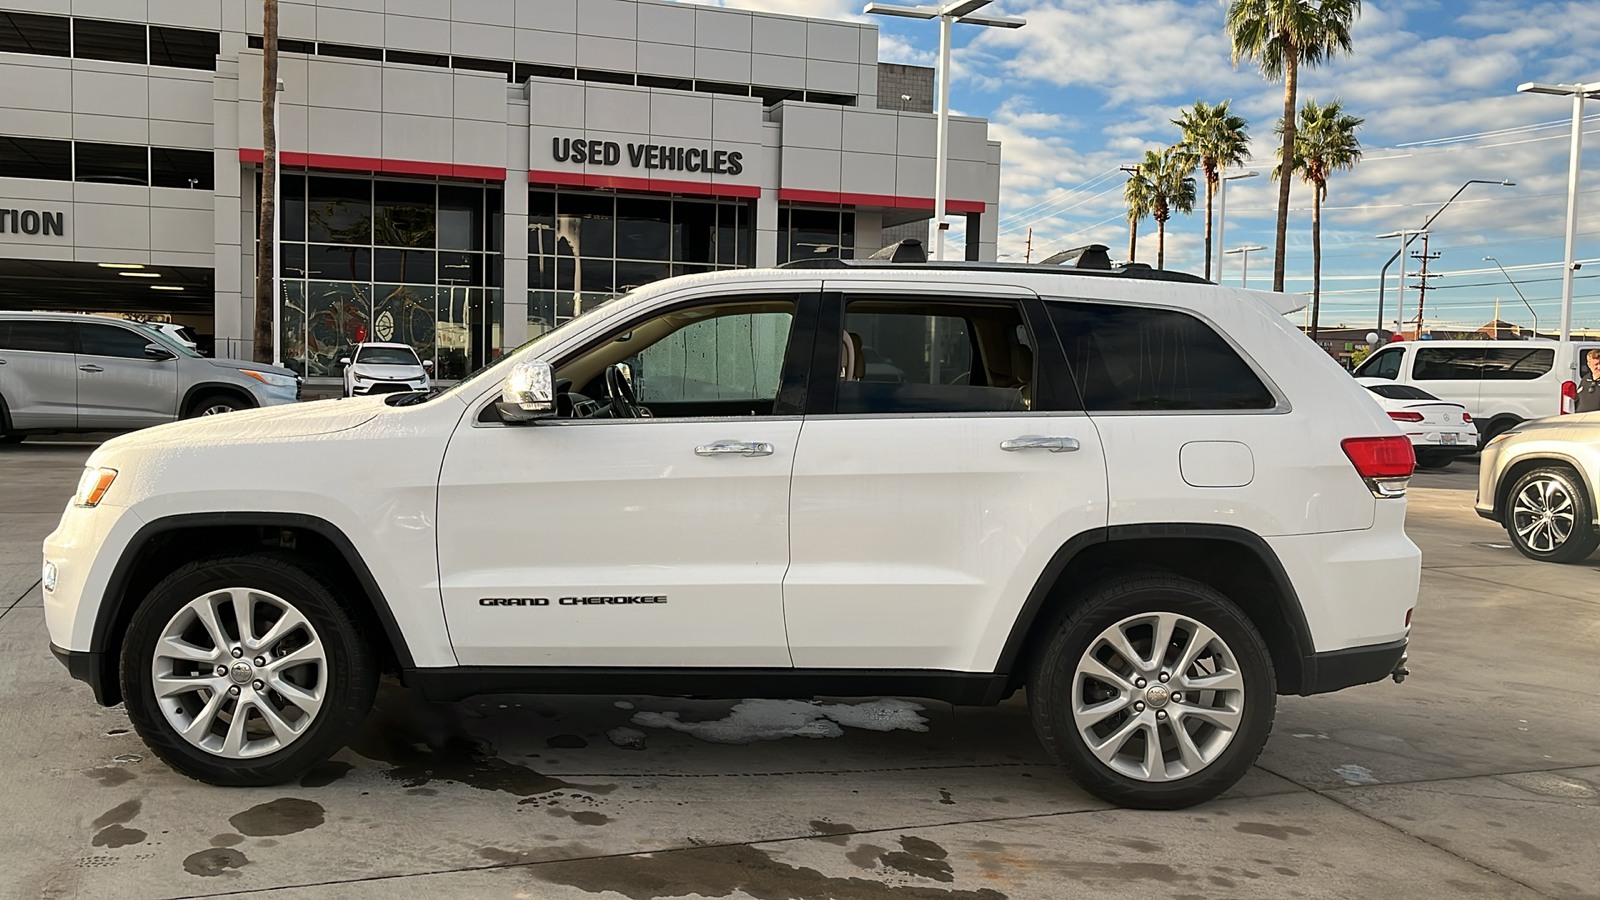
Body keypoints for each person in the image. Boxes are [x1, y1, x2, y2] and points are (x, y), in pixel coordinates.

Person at [1576, 349, 1600, 413]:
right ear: (1589, 365)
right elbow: (1577, 399)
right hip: (1582, 419)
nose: (1599, 367)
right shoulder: (1585, 379)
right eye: (1596, 364)